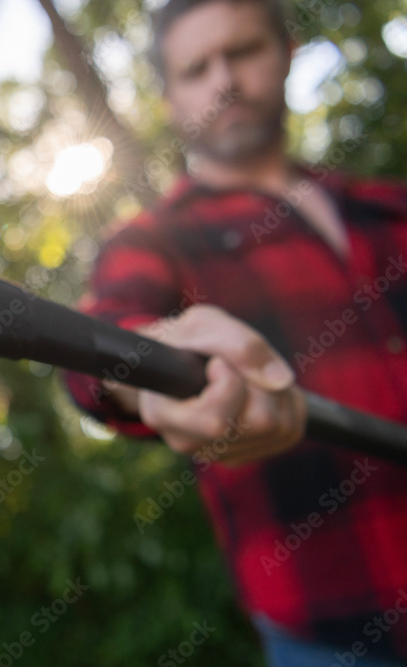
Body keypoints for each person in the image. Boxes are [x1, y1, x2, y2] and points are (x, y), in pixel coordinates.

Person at [63, 0, 407, 664]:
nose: (223, 80)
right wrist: (147, 370)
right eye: (196, 69)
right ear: (169, 100)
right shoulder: (152, 239)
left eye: (243, 51)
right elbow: (92, 345)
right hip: (332, 633)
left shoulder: (390, 205)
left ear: (288, 53)